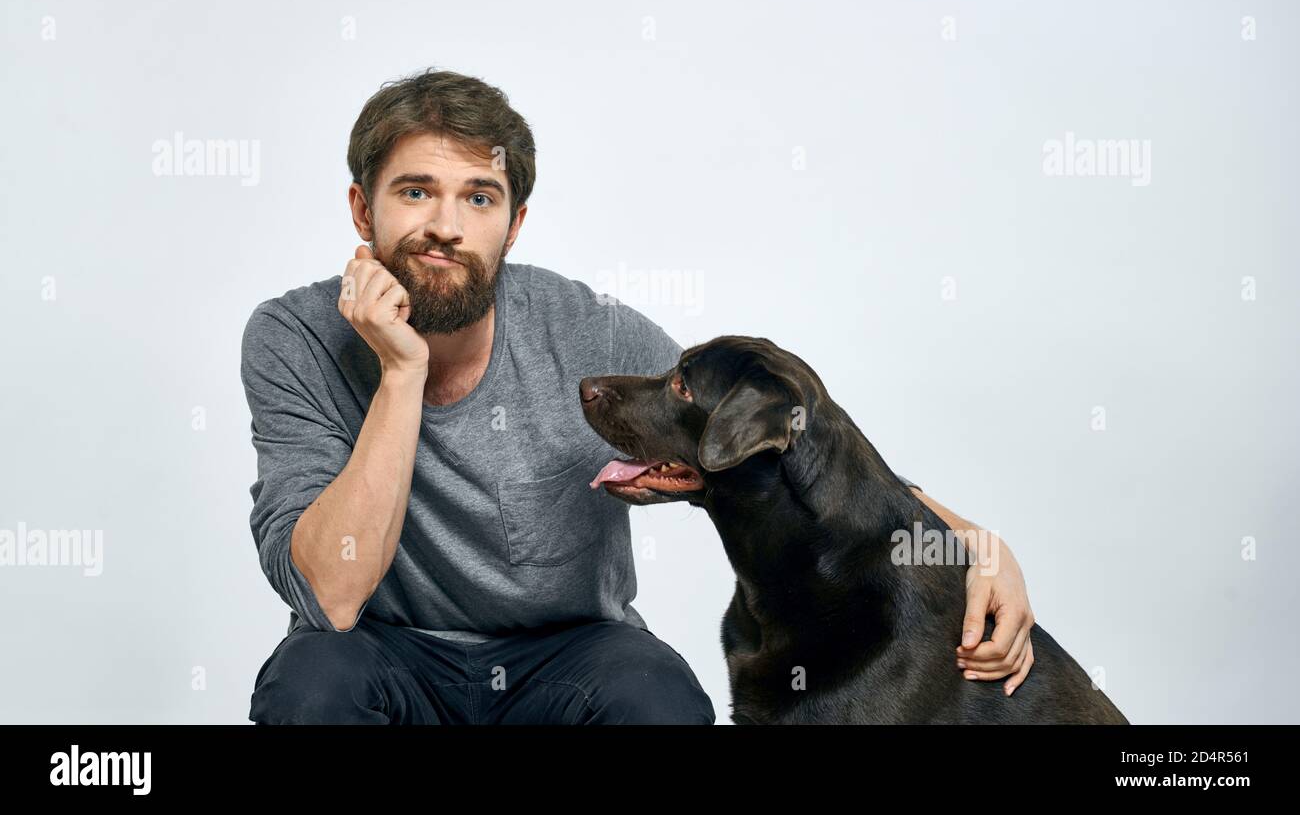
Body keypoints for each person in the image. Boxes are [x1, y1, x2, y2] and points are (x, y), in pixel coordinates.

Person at [241, 68, 1035, 724]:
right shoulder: (293, 338)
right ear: (361, 208)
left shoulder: (593, 331)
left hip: (567, 655)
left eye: (478, 197)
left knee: (655, 696)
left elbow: (785, 446)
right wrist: (401, 374)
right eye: (416, 192)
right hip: (382, 650)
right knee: (311, 686)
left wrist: (972, 543)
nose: (446, 225)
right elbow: (333, 596)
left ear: (514, 224)